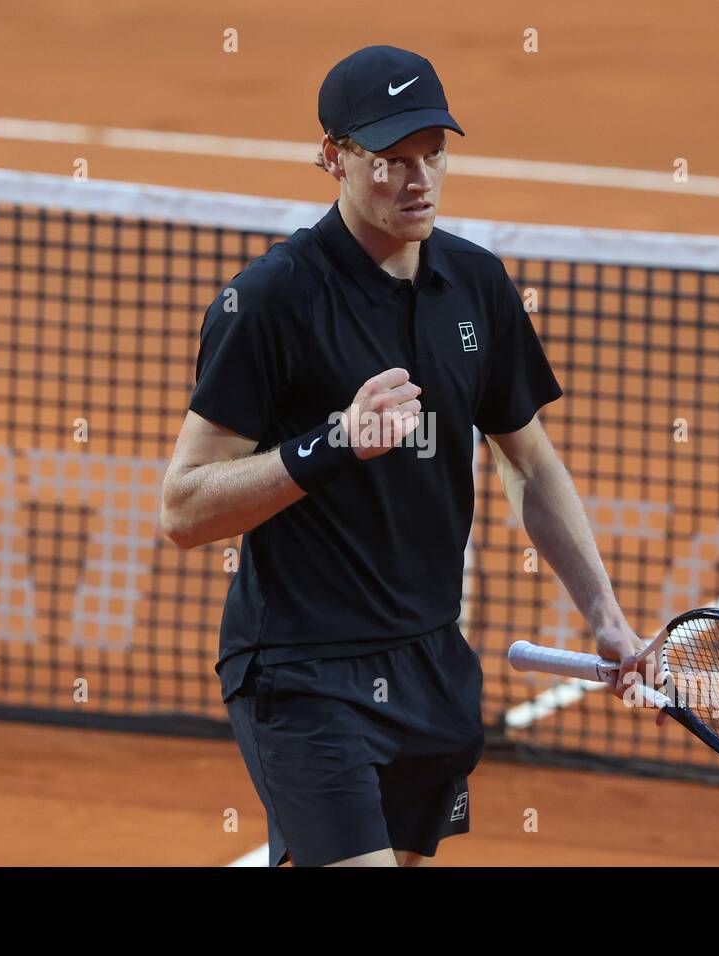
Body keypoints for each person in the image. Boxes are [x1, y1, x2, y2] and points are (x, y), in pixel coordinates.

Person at [160, 45, 645, 867]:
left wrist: (602, 612)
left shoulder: (477, 286)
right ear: (333, 159)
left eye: (433, 155)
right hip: (302, 670)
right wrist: (331, 444)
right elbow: (182, 509)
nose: (416, 180)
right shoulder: (272, 302)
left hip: (431, 661)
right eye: (389, 161)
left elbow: (528, 463)